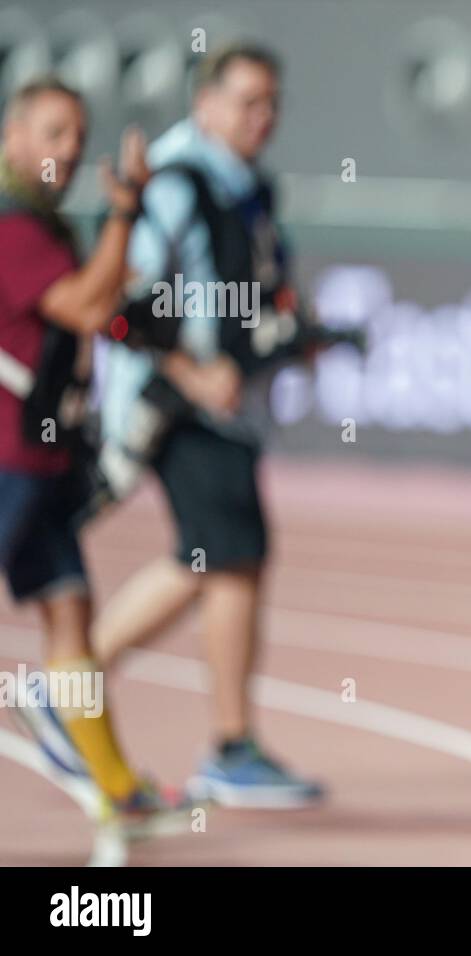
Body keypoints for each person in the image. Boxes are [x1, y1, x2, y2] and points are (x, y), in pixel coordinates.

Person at [91, 43, 323, 808]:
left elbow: (255, 290)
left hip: (226, 410)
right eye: (248, 102)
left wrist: (297, 336)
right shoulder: (174, 178)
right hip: (179, 407)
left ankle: (84, 684)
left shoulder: (245, 183)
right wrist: (193, 373)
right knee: (223, 554)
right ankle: (88, 684)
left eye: (273, 104)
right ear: (206, 101)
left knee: (223, 558)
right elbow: (125, 297)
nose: (264, 118)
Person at [0, 76, 185, 828]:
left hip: (43, 462)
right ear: (13, 137)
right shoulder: (11, 228)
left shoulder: (49, 230)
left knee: (71, 615)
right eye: (52, 132)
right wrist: (121, 213)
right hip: (7, 459)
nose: (69, 149)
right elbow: (77, 303)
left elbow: (92, 308)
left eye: (76, 135)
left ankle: (115, 789)